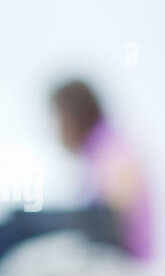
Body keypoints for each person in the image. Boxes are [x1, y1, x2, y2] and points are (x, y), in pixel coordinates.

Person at [0, 80, 154, 264]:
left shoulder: (109, 143)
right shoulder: (100, 145)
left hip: (120, 241)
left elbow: (118, 207)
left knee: (21, 221)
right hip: (108, 230)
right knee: (19, 221)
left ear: (70, 117)